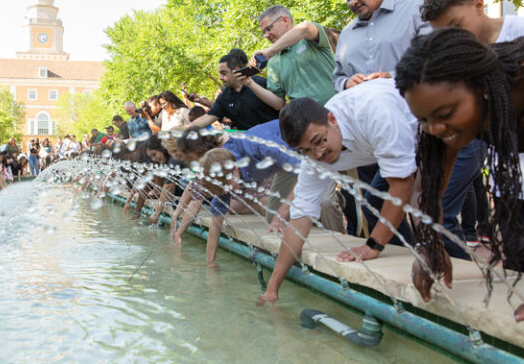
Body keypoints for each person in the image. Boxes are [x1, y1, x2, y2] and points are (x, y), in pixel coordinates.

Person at [395, 28, 524, 323]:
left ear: (482, 87)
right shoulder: (445, 115)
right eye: (423, 119)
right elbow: (428, 189)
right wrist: (429, 245)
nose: (435, 129)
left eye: (445, 113)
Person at [259, 80, 418, 306]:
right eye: (306, 150)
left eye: (318, 141)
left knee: (435, 211)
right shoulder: (314, 157)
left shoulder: (373, 111)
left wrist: (372, 246)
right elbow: (299, 221)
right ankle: (405, 278)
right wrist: (272, 288)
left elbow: (403, 185)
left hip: (444, 129)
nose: (318, 153)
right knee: (373, 203)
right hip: (404, 148)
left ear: (332, 120)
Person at [421, 0, 524, 251]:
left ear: (479, 5)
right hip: (508, 173)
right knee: (518, 251)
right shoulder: (458, 60)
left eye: (456, 26)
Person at [170, 122, 301, 267]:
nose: (227, 192)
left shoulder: (253, 147)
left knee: (309, 203)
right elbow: (216, 221)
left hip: (299, 143)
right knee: (273, 216)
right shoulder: (222, 172)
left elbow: (302, 170)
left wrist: (284, 210)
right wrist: (210, 262)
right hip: (284, 166)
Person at [333, 0, 430, 91]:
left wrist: (393, 77)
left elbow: (436, 56)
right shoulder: (346, 35)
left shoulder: (416, 10)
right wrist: (346, 83)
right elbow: (337, 78)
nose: (352, 2)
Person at [250, 5, 337, 107]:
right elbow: (278, 103)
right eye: (264, 32)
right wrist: (249, 83)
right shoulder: (274, 61)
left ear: (285, 21)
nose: (266, 35)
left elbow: (305, 28)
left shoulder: (309, 38)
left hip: (340, 111)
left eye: (269, 28)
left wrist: (269, 52)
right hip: (307, 120)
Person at [189, 49, 279, 130]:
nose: (220, 78)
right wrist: (184, 129)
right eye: (220, 74)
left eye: (224, 73)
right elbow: (207, 118)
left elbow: (281, 105)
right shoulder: (224, 98)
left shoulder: (261, 83)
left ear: (236, 70)